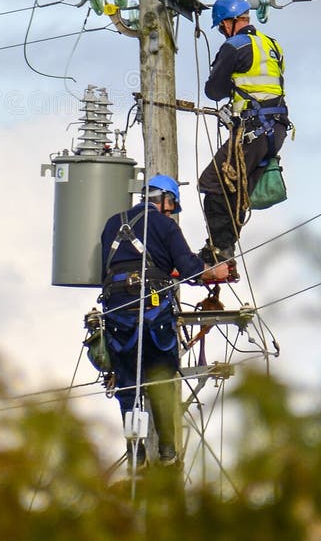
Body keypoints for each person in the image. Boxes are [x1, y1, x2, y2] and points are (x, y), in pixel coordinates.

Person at [100, 174, 228, 468]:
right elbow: (190, 269)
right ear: (165, 200)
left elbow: (104, 273)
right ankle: (168, 451)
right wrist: (214, 272)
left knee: (128, 384)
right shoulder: (164, 225)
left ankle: (136, 452)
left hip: (117, 312)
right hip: (152, 312)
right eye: (171, 207)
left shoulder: (112, 224)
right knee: (161, 378)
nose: (171, 213)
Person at [199, 0, 290, 275]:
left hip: (253, 130)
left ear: (228, 22)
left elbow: (214, 90)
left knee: (212, 181)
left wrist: (229, 83)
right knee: (236, 188)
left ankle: (219, 249)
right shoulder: (273, 45)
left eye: (221, 27)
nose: (222, 32)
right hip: (275, 129)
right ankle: (224, 251)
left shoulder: (234, 46)